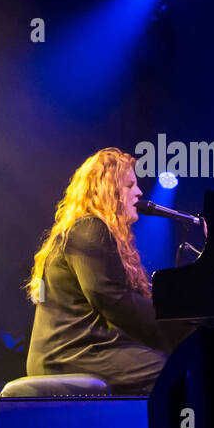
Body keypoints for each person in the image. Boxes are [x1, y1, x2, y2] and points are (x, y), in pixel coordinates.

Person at [24, 147, 196, 396]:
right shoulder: (89, 228)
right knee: (172, 371)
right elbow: (112, 300)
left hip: (78, 350)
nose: (138, 192)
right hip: (69, 354)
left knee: (172, 365)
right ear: (107, 189)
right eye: (129, 185)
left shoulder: (84, 230)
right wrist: (179, 327)